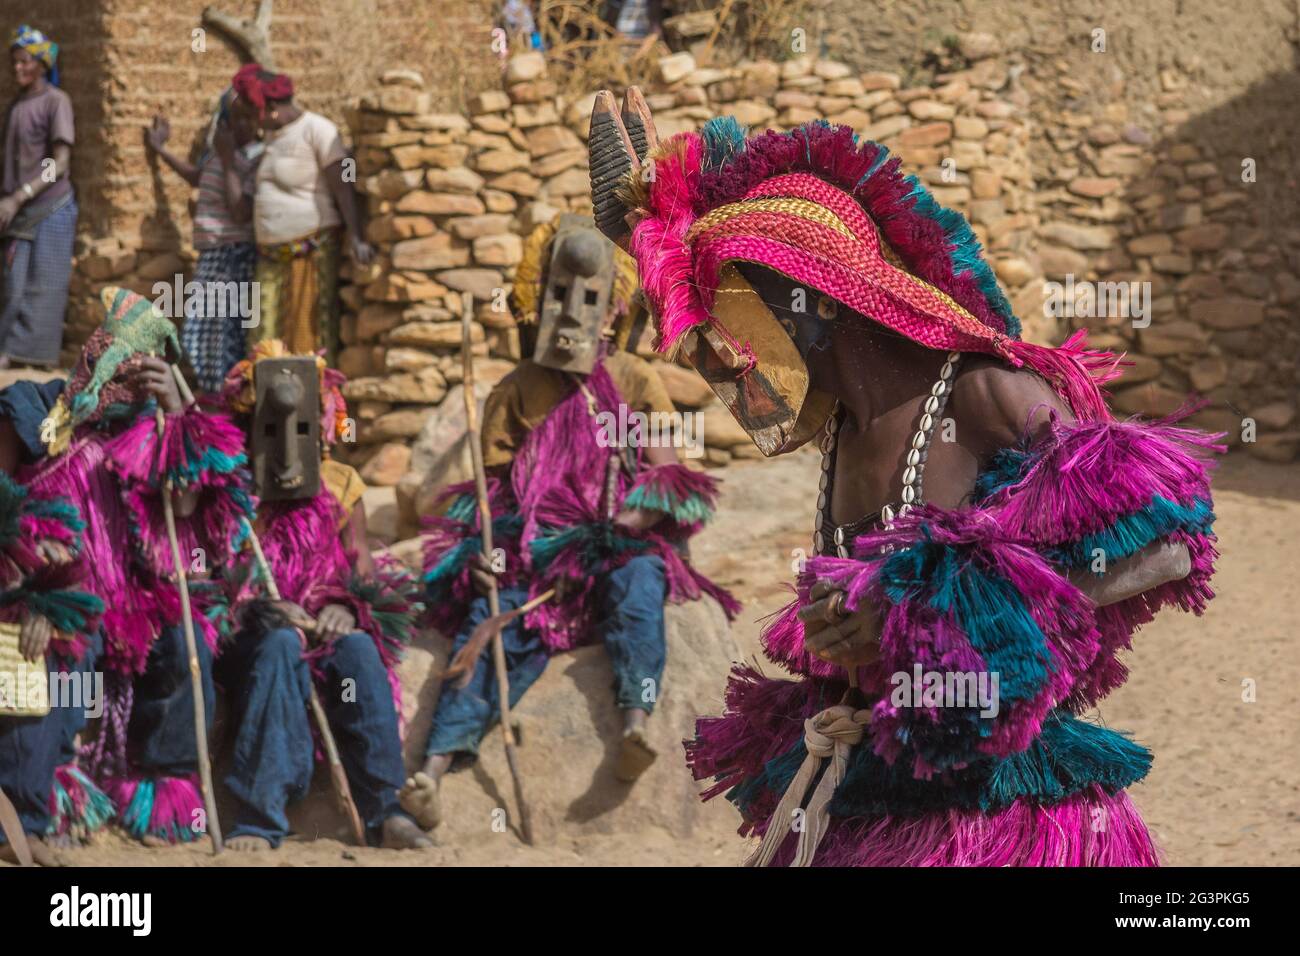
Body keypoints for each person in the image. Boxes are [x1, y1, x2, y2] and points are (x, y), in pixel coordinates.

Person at [587, 97, 1222, 866]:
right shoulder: (843, 432)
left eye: (735, 316)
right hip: (870, 788)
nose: (722, 357)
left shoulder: (985, 394)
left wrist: (917, 609)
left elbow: (1169, 547)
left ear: (816, 296)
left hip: (995, 817)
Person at [399, 214, 738, 832]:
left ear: (613, 310)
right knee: (488, 624)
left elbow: (671, 480)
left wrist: (622, 525)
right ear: (539, 300)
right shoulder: (517, 390)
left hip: (617, 546)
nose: (576, 311)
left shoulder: (635, 379)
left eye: (591, 300)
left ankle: (635, 724)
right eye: (560, 295)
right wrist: (487, 555)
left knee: (638, 592)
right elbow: (493, 499)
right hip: (536, 559)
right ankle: (434, 768)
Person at [7, 286, 254, 845]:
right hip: (51, 587)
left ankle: (161, 789)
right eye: (104, 358)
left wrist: (173, 410)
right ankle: (42, 805)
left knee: (187, 638)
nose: (111, 378)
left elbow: (188, 505)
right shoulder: (33, 411)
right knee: (69, 649)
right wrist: (32, 582)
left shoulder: (152, 434)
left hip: (133, 594)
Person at [212, 341, 429, 851]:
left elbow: (367, 579)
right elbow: (211, 585)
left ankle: (385, 808)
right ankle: (258, 816)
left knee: (356, 649)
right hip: (251, 644)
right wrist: (259, 610)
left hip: (323, 637)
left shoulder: (341, 485)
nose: (288, 448)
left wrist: (344, 607)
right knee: (280, 646)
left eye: (302, 429)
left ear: (321, 426)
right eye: (271, 430)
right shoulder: (233, 489)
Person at [230, 64, 373, 363]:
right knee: (264, 342)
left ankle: (316, 406)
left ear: (269, 108)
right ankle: (269, 407)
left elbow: (345, 183)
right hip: (270, 255)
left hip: (311, 252)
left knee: (309, 335)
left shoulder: (318, 131)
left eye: (250, 112)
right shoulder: (271, 138)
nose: (248, 120)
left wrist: (357, 236)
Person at [0, 465, 103, 866]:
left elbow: (65, 583)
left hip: (94, 626)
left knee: (72, 649)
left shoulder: (46, 514)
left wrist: (42, 605)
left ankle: (64, 760)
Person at [146, 90, 264, 394]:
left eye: (248, 118)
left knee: (221, 336)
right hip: (213, 253)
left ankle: (224, 403)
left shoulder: (254, 158)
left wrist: (227, 160)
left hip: (233, 254)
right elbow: (197, 177)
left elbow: (241, 211)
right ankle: (217, 398)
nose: (240, 125)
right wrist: (160, 149)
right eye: (234, 117)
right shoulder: (222, 154)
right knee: (204, 335)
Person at [0, 25, 76, 369]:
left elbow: (59, 164)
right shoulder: (16, 107)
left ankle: (37, 357)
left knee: (45, 286)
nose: (18, 69)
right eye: (14, 63)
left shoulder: (56, 102)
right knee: (13, 285)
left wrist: (21, 195)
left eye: (25, 62)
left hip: (50, 206)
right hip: (18, 207)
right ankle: (11, 351)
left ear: (43, 65)